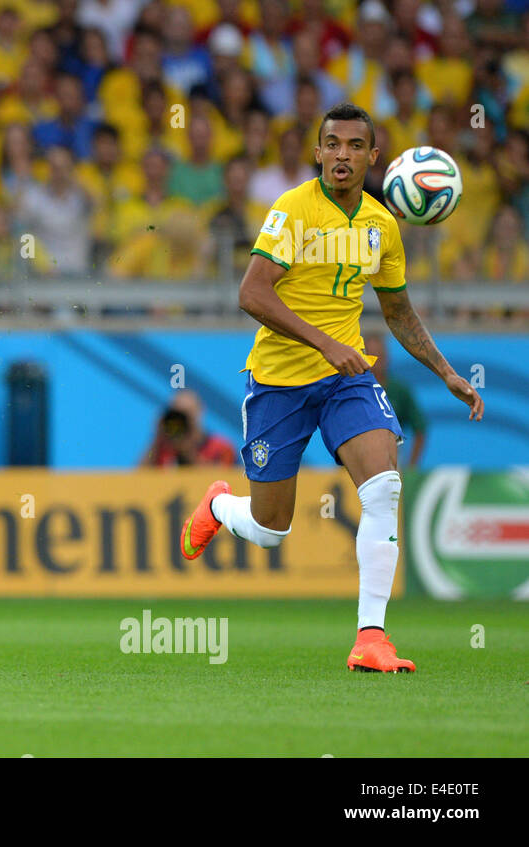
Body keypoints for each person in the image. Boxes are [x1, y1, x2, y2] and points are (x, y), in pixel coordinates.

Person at [180, 104, 484, 674]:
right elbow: (251, 293)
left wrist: (444, 371)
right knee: (272, 531)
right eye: (332, 144)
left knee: (384, 486)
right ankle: (220, 505)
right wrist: (324, 342)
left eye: (354, 146)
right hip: (279, 382)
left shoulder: (382, 226)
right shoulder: (293, 210)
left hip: (346, 378)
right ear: (318, 153)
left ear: (374, 157)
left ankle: (371, 637)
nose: (342, 154)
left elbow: (398, 312)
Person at [363, 332, 427, 469]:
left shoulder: (399, 391)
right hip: (358, 458)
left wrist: (412, 466)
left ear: (387, 358)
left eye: (380, 357)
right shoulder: (354, 391)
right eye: (371, 357)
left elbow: (420, 428)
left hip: (391, 460)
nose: (376, 363)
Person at [141, 390, 237, 468]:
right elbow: (139, 478)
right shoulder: (162, 449)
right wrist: (156, 440)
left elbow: (221, 481)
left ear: (199, 413)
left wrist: (187, 451)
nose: (181, 421)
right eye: (177, 415)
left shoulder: (221, 448)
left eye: (187, 414)